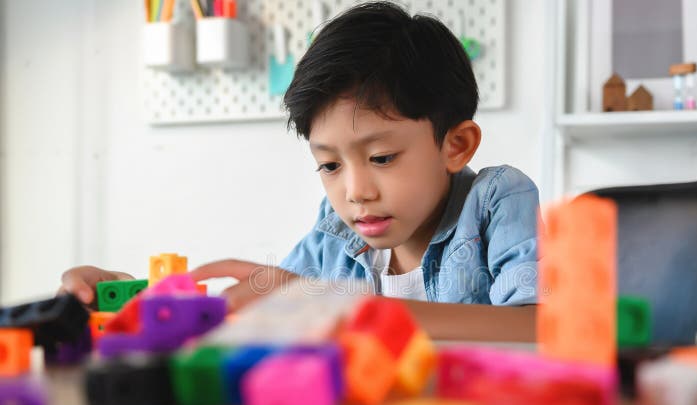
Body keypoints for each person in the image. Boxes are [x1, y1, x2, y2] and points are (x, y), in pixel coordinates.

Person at [59, 2, 540, 341]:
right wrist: (127, 301)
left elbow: (539, 324)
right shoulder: (335, 235)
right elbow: (255, 306)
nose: (356, 192)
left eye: (381, 158)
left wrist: (351, 308)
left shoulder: (497, 200)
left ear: (456, 145)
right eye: (329, 165)